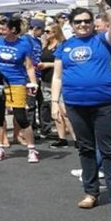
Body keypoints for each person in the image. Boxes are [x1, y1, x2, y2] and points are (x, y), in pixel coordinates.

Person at [51, 0, 111, 213]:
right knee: (86, 149)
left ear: (93, 23)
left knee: (108, 149)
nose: (83, 24)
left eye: (87, 21)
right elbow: (57, 77)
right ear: (71, 25)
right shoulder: (64, 46)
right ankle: (91, 193)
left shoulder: (103, 40)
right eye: (78, 22)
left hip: (104, 104)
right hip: (75, 105)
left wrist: (104, 7)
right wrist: (54, 102)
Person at [0, 16, 40, 163]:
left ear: (13, 29)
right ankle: (0, 147)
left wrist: (33, 83)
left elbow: (29, 66)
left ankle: (31, 149)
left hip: (17, 82)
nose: (1, 31)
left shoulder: (24, 44)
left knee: (20, 116)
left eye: (4, 29)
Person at [39, 20, 72, 148]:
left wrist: (48, 64)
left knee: (64, 112)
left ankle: (76, 138)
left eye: (47, 31)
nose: (45, 33)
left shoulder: (62, 45)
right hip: (46, 80)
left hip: (59, 80)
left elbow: (65, 62)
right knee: (55, 111)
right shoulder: (46, 45)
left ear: (55, 32)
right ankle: (61, 138)